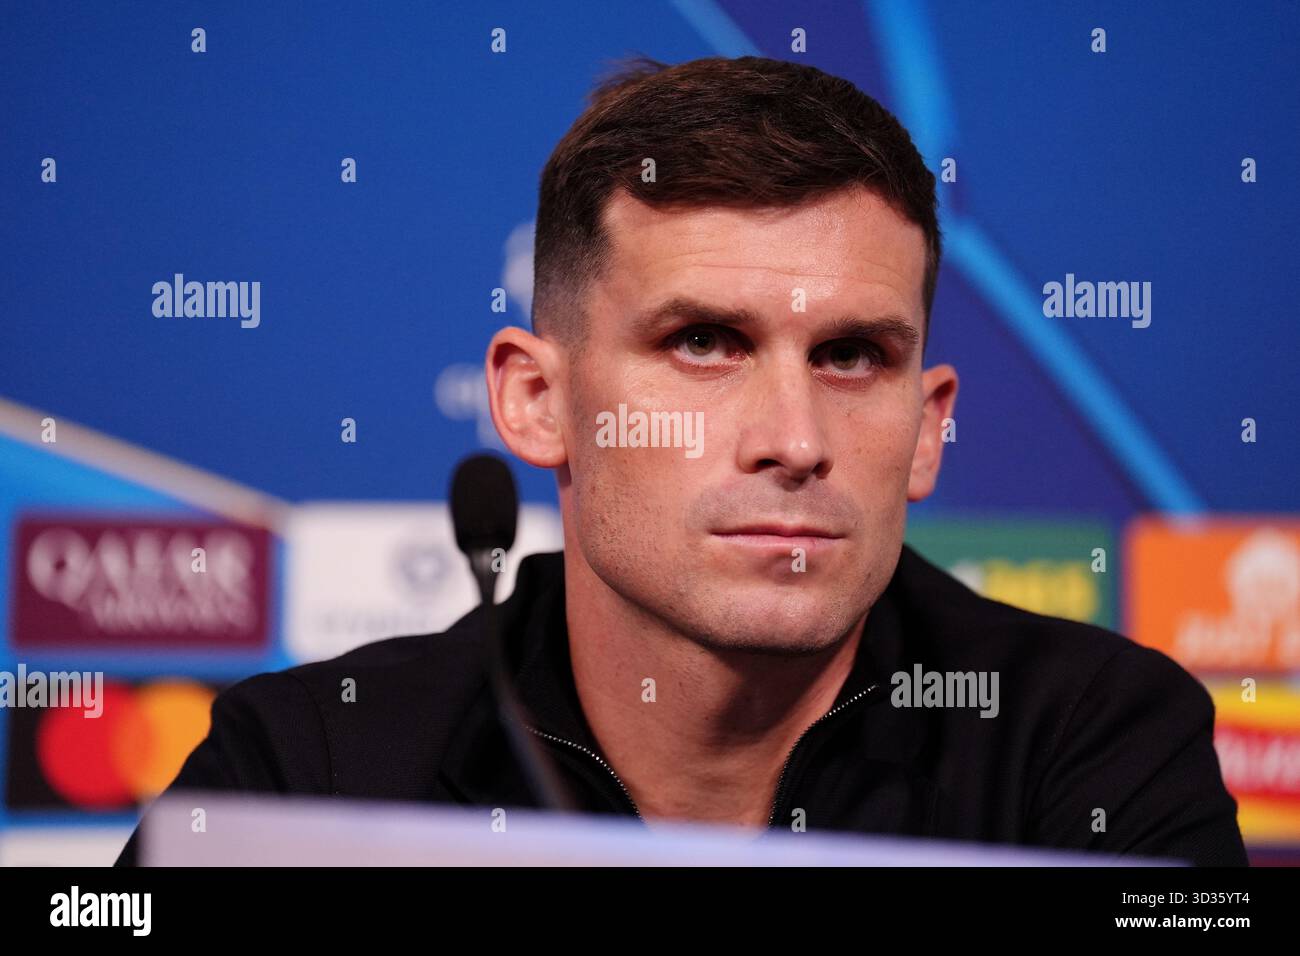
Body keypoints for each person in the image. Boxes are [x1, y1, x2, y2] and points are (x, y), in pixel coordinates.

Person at [116, 55, 1246, 866]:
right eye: (703, 343)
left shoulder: (1093, 743)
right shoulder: (311, 766)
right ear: (537, 400)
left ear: (929, 426)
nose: (795, 442)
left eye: (852, 355)